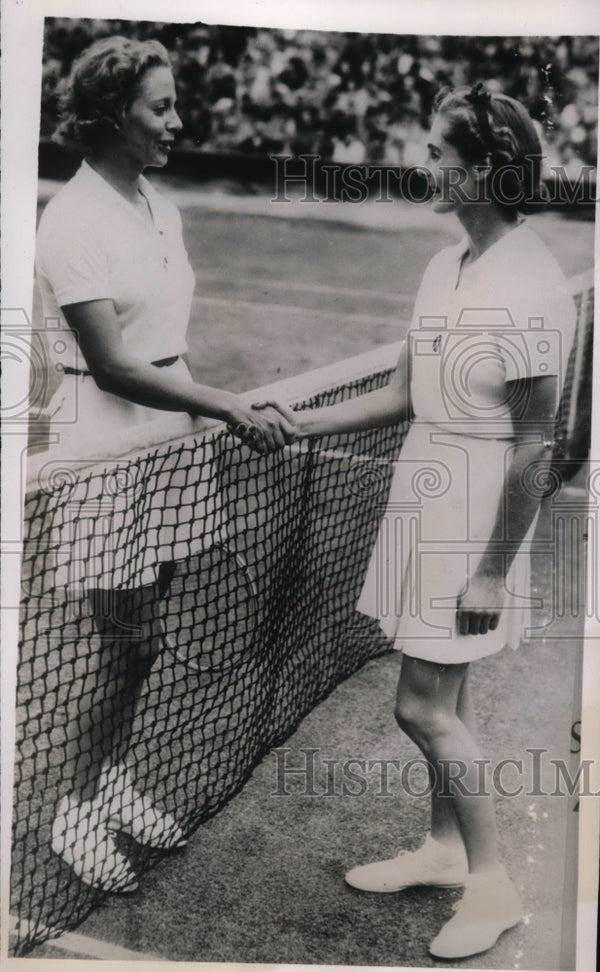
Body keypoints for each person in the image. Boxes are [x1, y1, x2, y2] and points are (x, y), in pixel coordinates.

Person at [255, 82, 576, 960]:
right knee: (451, 690)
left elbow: (536, 443)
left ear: (487, 171)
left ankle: (495, 884)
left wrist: (490, 571)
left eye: (441, 153)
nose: (425, 163)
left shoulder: (531, 283)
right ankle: (441, 849)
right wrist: (296, 424)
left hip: (474, 514)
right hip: (422, 485)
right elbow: (402, 394)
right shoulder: (447, 263)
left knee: (422, 707)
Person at [36, 35, 292, 894]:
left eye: (175, 103)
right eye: (160, 107)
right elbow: (110, 362)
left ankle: (109, 783)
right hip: (109, 441)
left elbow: (163, 344)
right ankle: (71, 809)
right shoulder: (70, 220)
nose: (178, 121)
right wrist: (224, 403)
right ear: (110, 115)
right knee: (117, 645)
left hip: (169, 439)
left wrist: (200, 406)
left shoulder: (159, 207)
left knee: (143, 644)